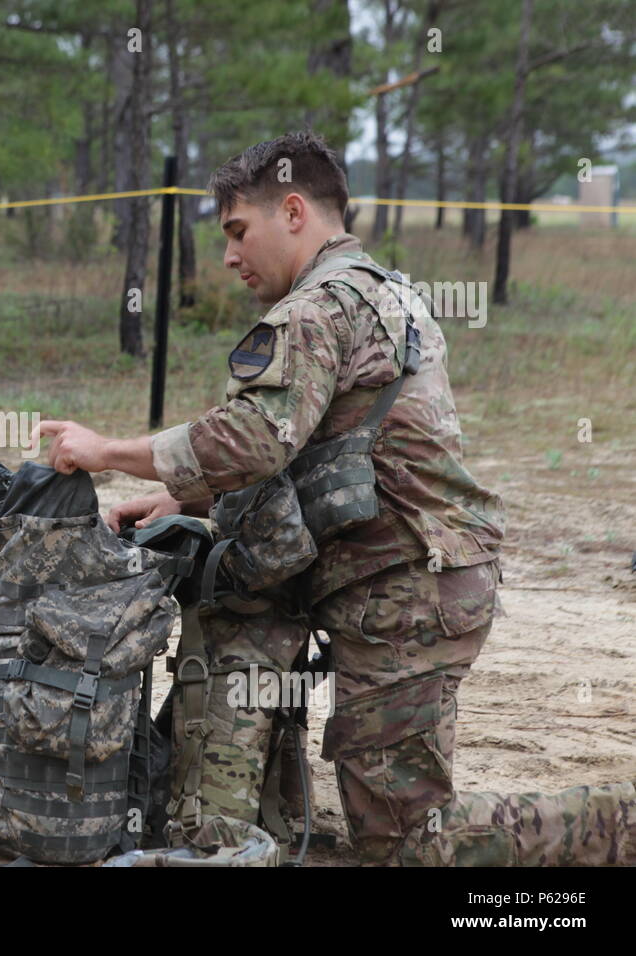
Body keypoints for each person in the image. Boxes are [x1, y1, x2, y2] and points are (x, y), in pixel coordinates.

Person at [34, 131, 634, 865]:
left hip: (406, 592)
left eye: (236, 231)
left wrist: (108, 452)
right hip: (407, 578)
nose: (228, 256)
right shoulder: (384, 291)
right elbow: (334, 455)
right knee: (247, 612)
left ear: (293, 210)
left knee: (411, 844)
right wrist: (190, 503)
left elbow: (255, 438)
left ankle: (615, 824)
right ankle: (250, 822)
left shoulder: (317, 308)